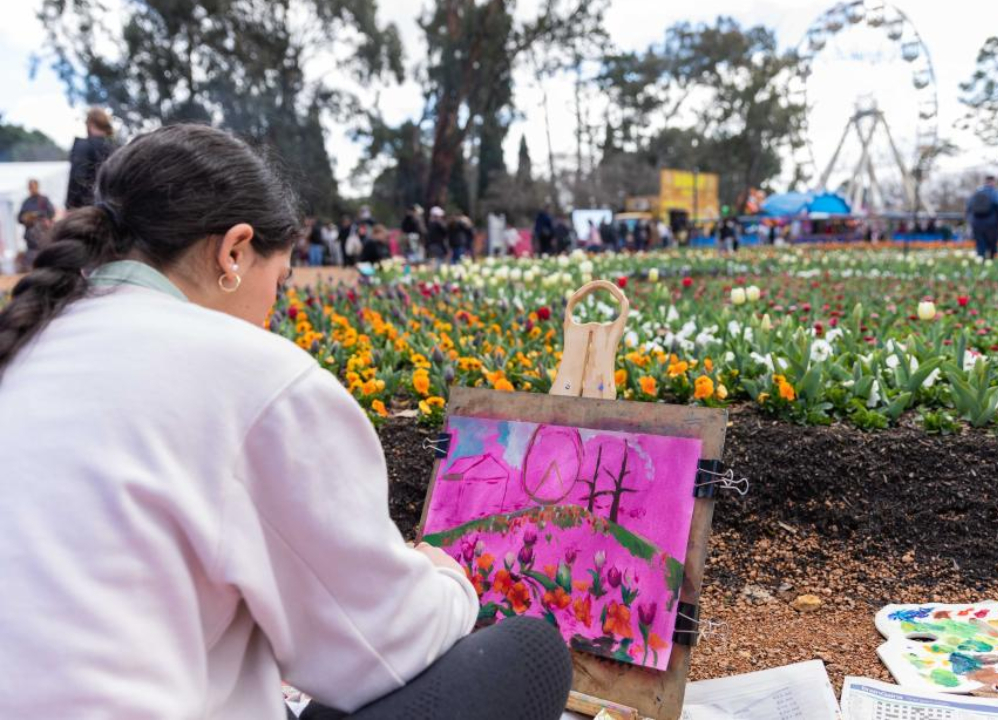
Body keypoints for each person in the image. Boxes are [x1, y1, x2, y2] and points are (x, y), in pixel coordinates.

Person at [0, 124, 572, 719]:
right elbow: (381, 649)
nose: (274, 311)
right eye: (280, 281)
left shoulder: (31, 343)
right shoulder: (250, 374)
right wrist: (448, 579)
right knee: (530, 652)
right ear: (234, 251)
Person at [66, 107, 117, 209]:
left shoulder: (83, 146)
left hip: (87, 212)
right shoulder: (116, 149)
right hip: (111, 211)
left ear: (90, 124)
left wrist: (69, 208)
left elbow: (77, 180)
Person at [965, 175, 998, 260]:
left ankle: (981, 263)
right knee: (993, 246)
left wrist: (970, 221)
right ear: (993, 182)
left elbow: (969, 207)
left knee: (980, 245)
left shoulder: (976, 192)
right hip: (992, 223)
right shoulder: (996, 192)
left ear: (985, 181)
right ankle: (992, 264)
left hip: (977, 223)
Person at [17, 179, 55, 271]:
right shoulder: (26, 202)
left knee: (45, 257)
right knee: (30, 263)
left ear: (37, 187)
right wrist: (26, 217)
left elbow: (51, 213)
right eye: (30, 187)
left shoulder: (43, 200)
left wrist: (37, 214)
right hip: (30, 236)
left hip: (42, 235)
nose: (32, 189)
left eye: (33, 187)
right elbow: (19, 218)